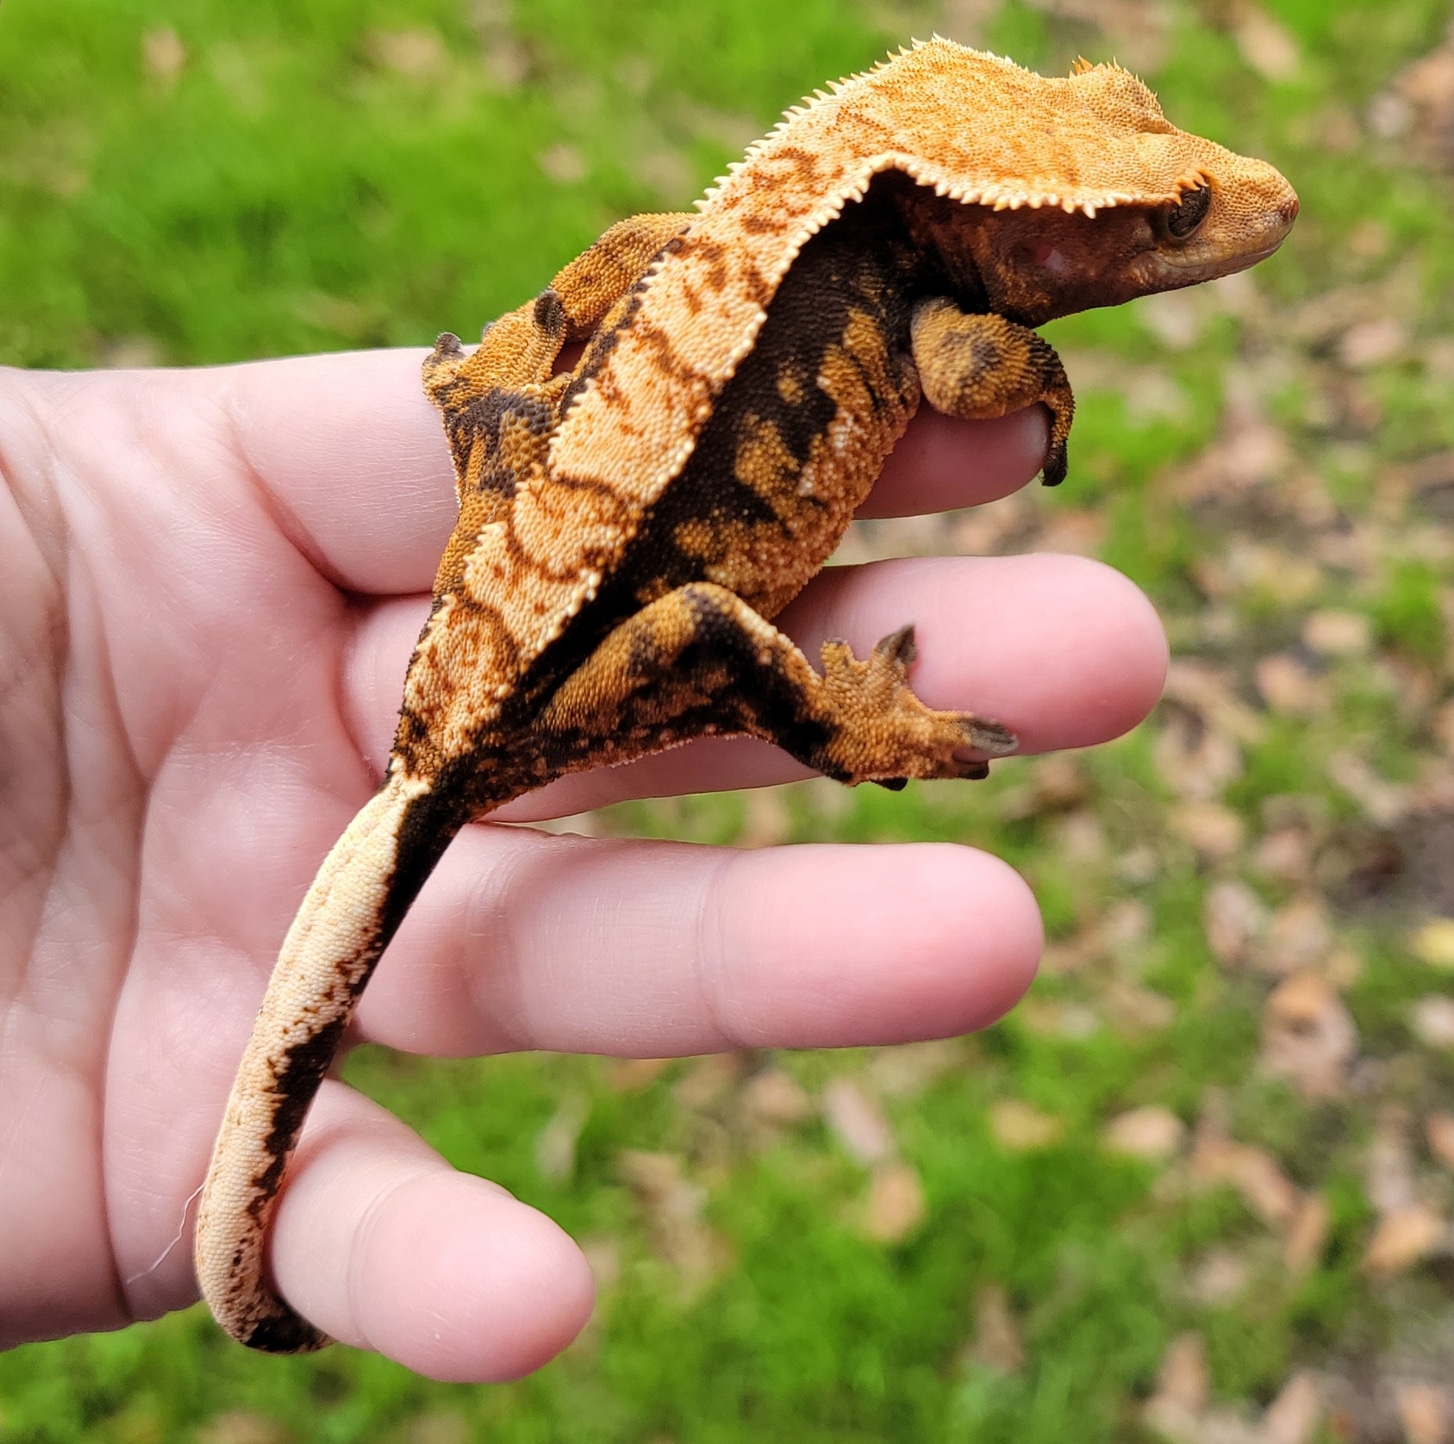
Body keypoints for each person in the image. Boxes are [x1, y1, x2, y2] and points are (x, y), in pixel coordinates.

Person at [0, 349, 1166, 1382]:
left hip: (482, 653)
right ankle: (838, 728)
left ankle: (496, 429)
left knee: (601, 552)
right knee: (705, 629)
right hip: (512, 677)